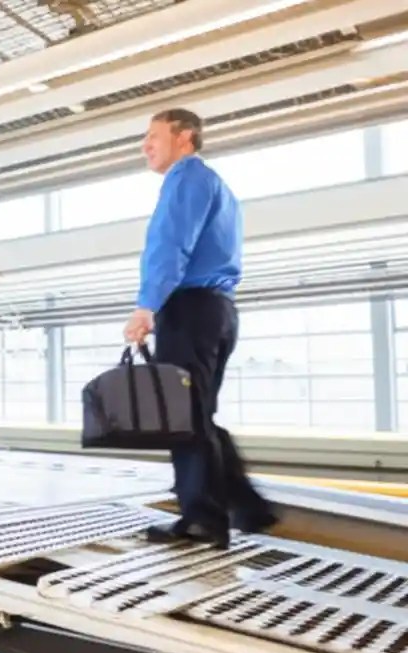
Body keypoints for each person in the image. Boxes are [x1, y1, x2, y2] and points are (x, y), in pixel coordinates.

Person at [123, 108, 276, 549]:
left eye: (153, 135)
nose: (145, 145)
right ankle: (247, 507)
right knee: (198, 414)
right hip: (218, 311)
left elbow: (171, 245)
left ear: (184, 137)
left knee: (184, 418)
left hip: (190, 309)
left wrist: (146, 306)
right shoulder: (218, 187)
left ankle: (203, 520)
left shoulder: (186, 179)